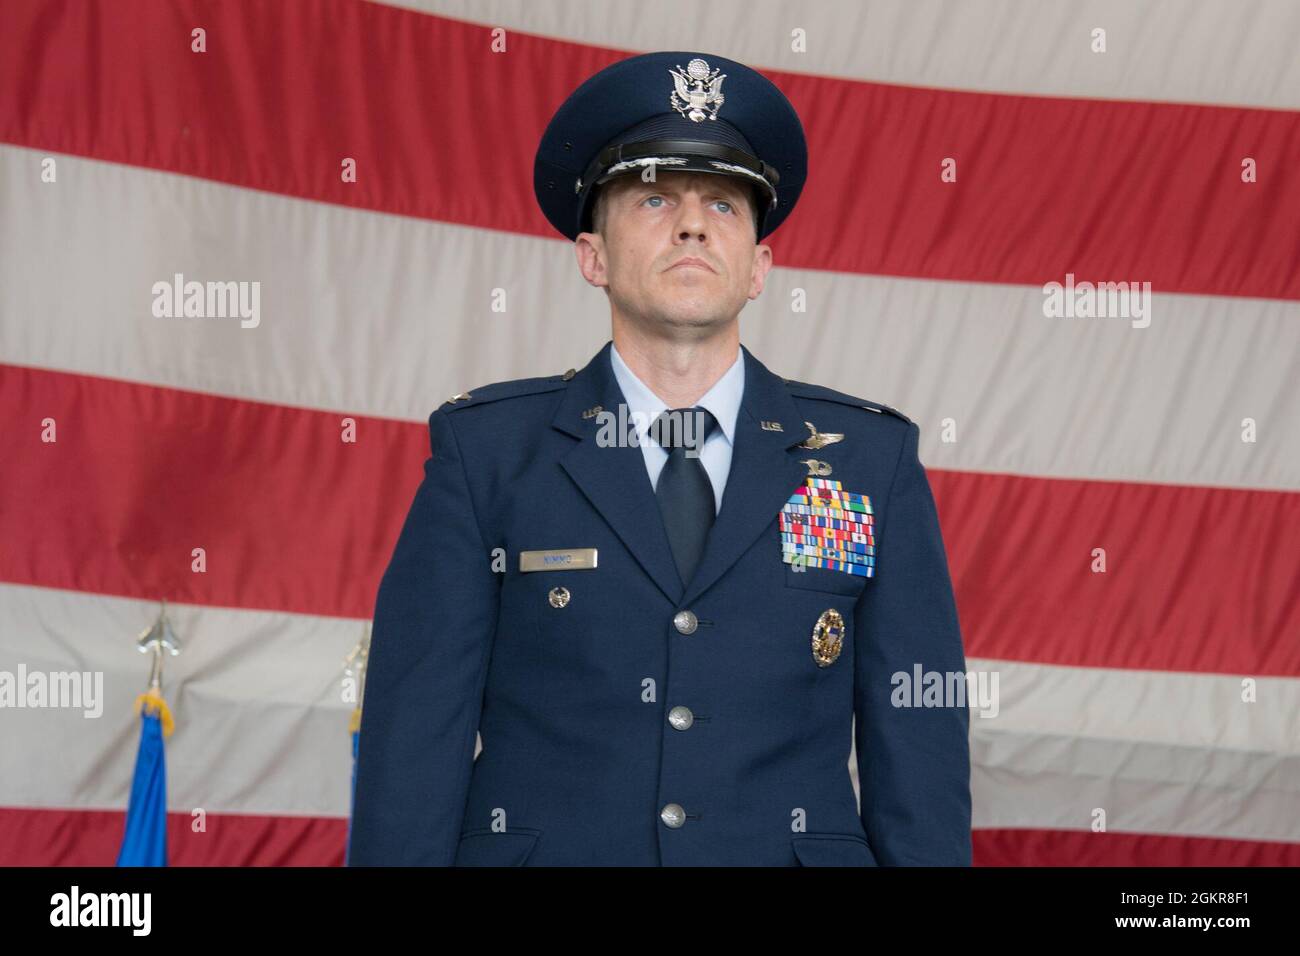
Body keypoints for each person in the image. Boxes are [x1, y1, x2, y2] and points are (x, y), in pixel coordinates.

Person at [347, 51, 971, 866]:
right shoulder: (487, 454)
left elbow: (917, 753)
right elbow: (413, 740)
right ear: (592, 257)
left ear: (758, 267)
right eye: (652, 199)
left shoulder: (871, 464)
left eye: (723, 202)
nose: (691, 224)